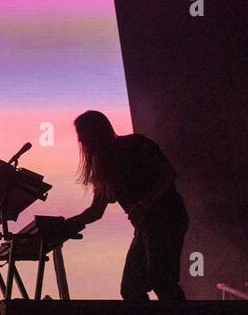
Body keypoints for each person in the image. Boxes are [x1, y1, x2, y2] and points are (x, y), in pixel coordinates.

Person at [64, 111, 188, 301]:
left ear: (97, 132)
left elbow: (168, 174)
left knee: (159, 277)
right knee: (133, 288)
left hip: (167, 218)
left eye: (84, 135)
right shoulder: (104, 167)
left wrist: (144, 205)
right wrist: (64, 226)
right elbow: (96, 211)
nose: (81, 140)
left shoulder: (136, 144)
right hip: (146, 226)